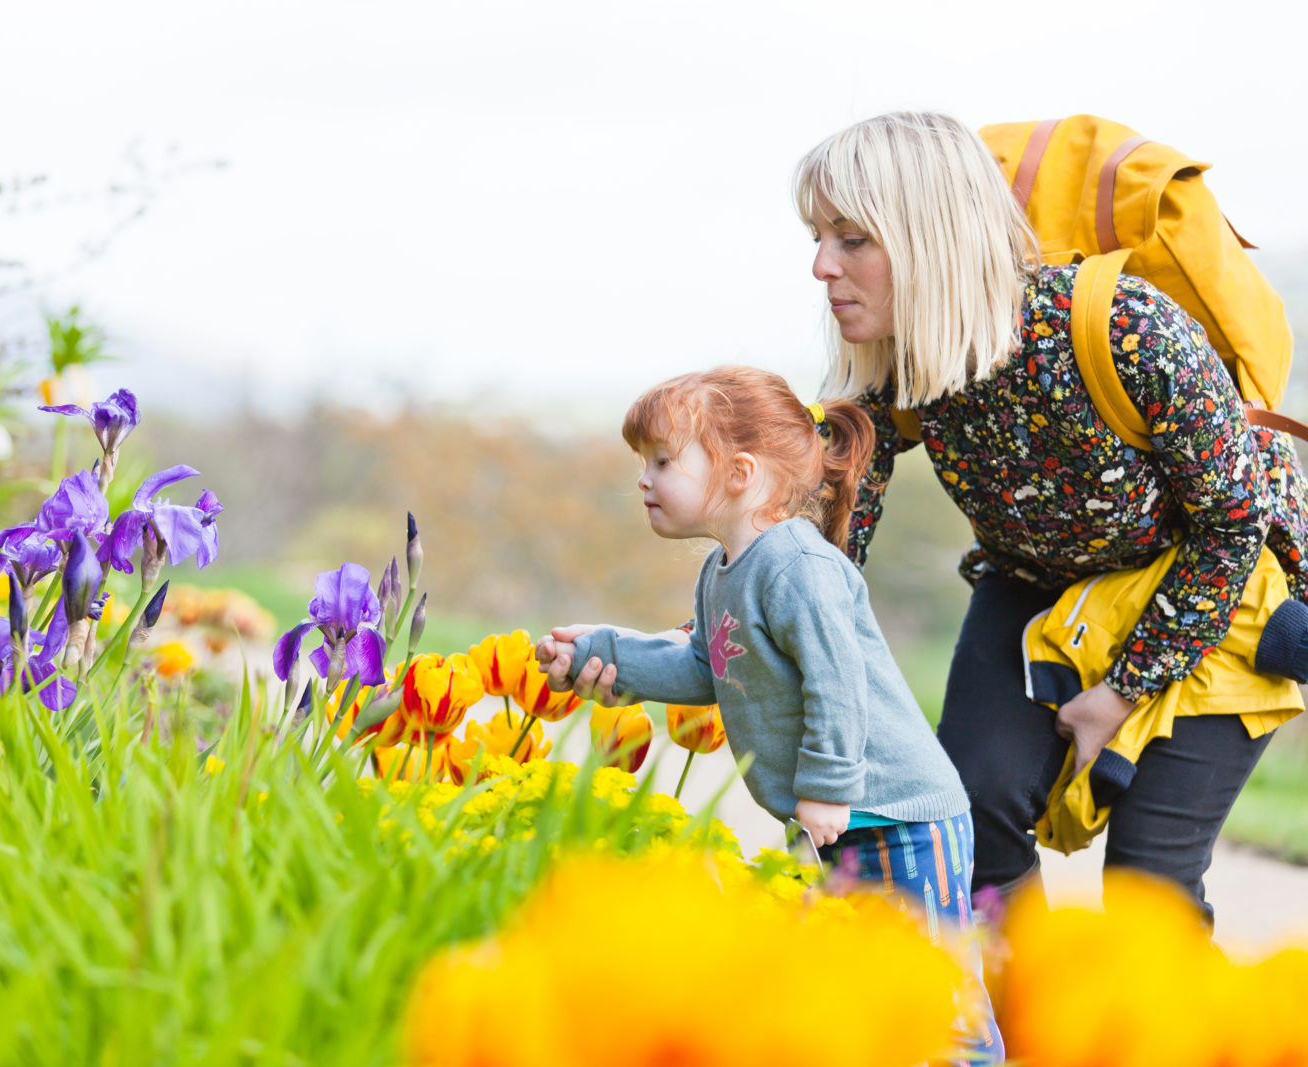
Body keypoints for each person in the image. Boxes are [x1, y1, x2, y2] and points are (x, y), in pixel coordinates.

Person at [545, 111, 1308, 923]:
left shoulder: (1125, 328)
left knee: (1149, 892)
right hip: (1035, 584)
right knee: (975, 815)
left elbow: (1235, 522)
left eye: (851, 239)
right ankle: (1019, 1038)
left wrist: (1122, 689)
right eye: (818, 236)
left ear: (929, 239)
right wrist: (678, 652)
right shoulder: (898, 372)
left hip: (1209, 596)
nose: (819, 266)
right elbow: (802, 565)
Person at [537, 365, 1003, 1064]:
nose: (645, 478)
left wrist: (826, 786)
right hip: (835, 816)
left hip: (897, 814)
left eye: (663, 460)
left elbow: (837, 682)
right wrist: (606, 653)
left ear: (740, 472)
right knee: (855, 989)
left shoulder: (796, 567)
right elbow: (705, 667)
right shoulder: (724, 570)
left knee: (936, 998)